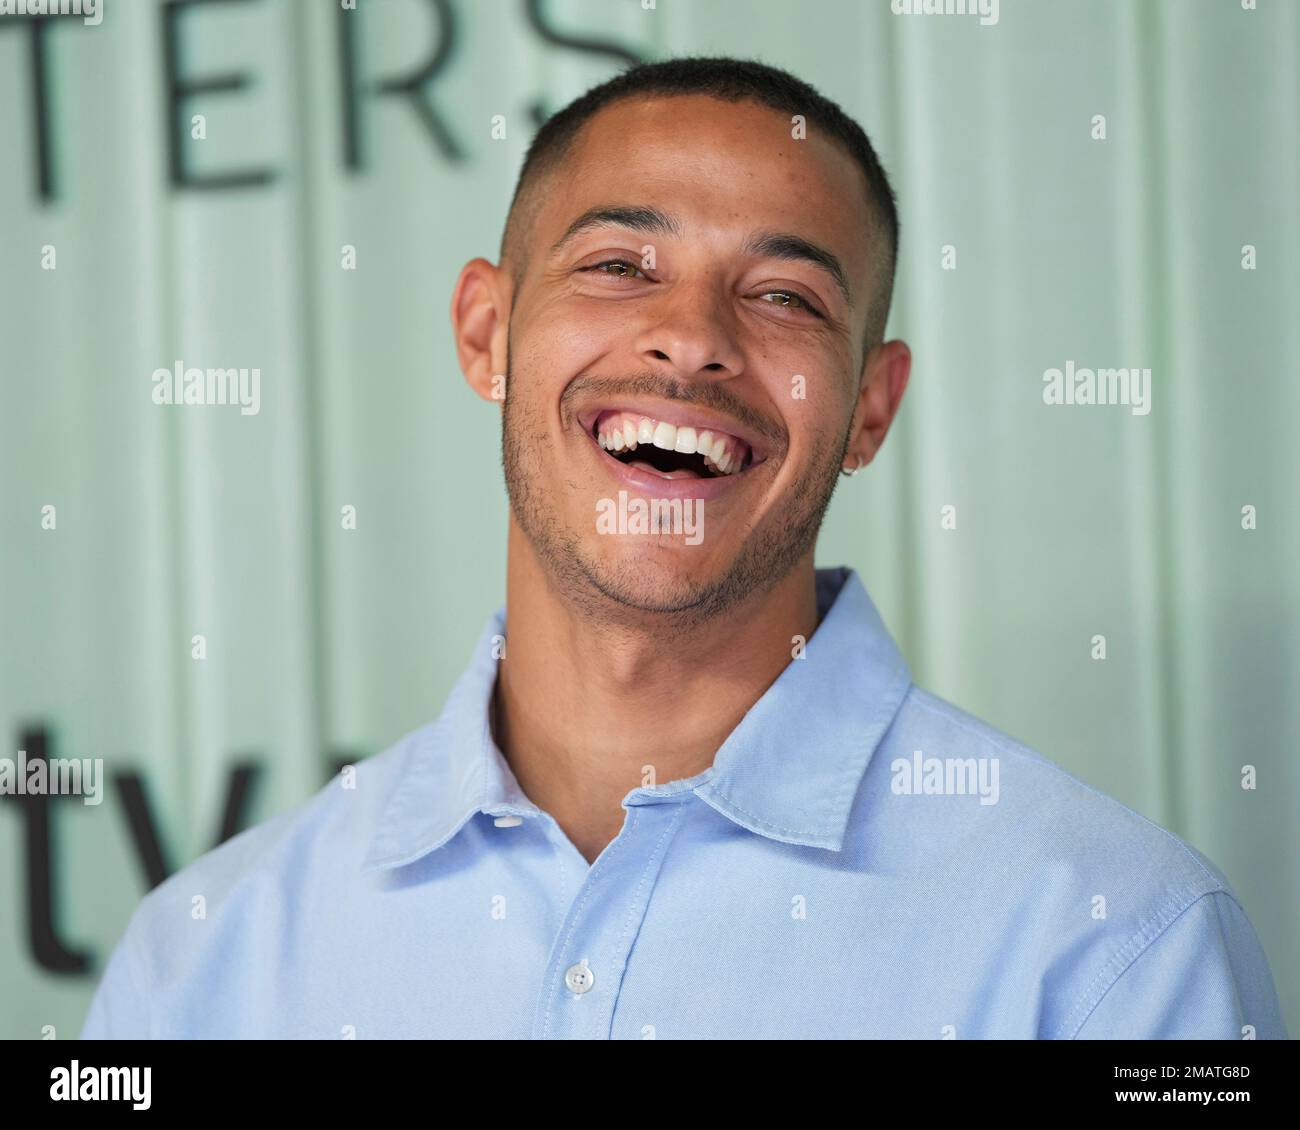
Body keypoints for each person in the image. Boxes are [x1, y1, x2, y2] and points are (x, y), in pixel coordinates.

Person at [83, 56, 1287, 1040]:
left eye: (783, 296)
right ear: (486, 332)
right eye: (618, 266)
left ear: (871, 407)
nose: (689, 339)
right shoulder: (201, 963)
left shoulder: (1114, 944)